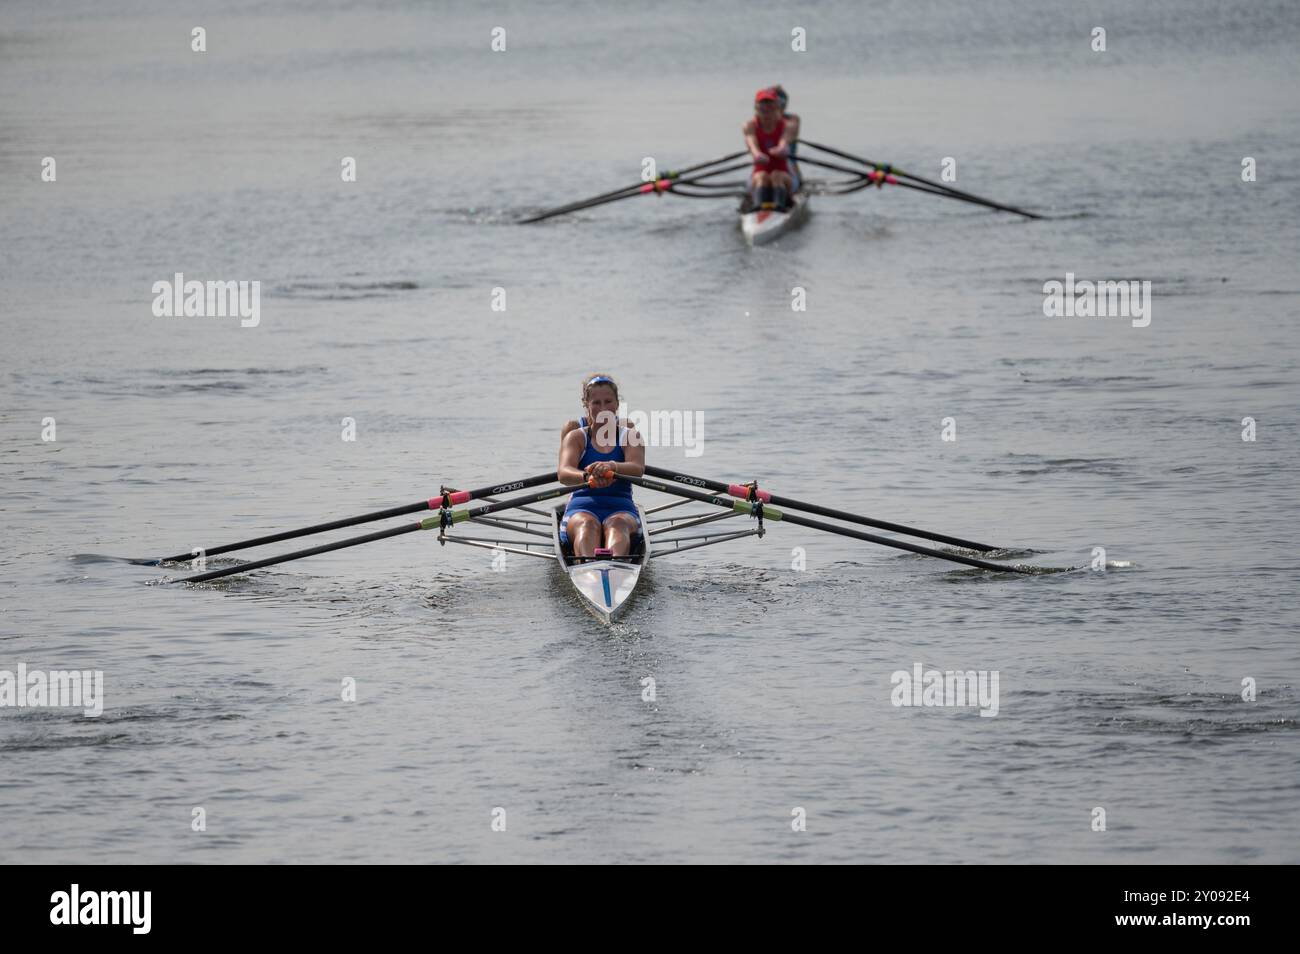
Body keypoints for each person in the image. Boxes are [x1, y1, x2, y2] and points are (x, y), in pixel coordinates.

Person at [557, 374, 645, 559]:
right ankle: (593, 569)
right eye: (596, 403)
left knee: (617, 524)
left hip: (622, 509)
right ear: (586, 405)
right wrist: (586, 477)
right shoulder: (576, 436)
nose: (603, 408)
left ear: (617, 404)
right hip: (581, 508)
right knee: (587, 525)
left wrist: (611, 466)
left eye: (608, 402)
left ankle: (612, 568)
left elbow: (637, 469)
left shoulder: (630, 436)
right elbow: (564, 473)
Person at [743, 86, 801, 212]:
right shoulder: (750, 126)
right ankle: (758, 208)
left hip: (783, 174)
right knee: (761, 176)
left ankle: (779, 207)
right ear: (756, 109)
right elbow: (751, 140)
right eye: (763, 109)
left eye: (770, 108)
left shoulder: (788, 124)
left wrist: (782, 147)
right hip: (759, 175)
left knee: (776, 175)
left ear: (777, 109)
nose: (766, 113)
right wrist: (756, 153)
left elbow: (785, 138)